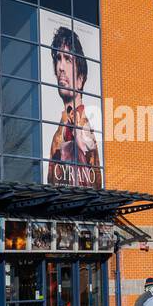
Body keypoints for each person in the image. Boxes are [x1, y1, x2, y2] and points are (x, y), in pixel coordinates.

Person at [45, 25, 101, 188]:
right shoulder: (59, 132)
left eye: (68, 59)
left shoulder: (82, 128)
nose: (61, 67)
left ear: (81, 78)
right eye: (58, 58)